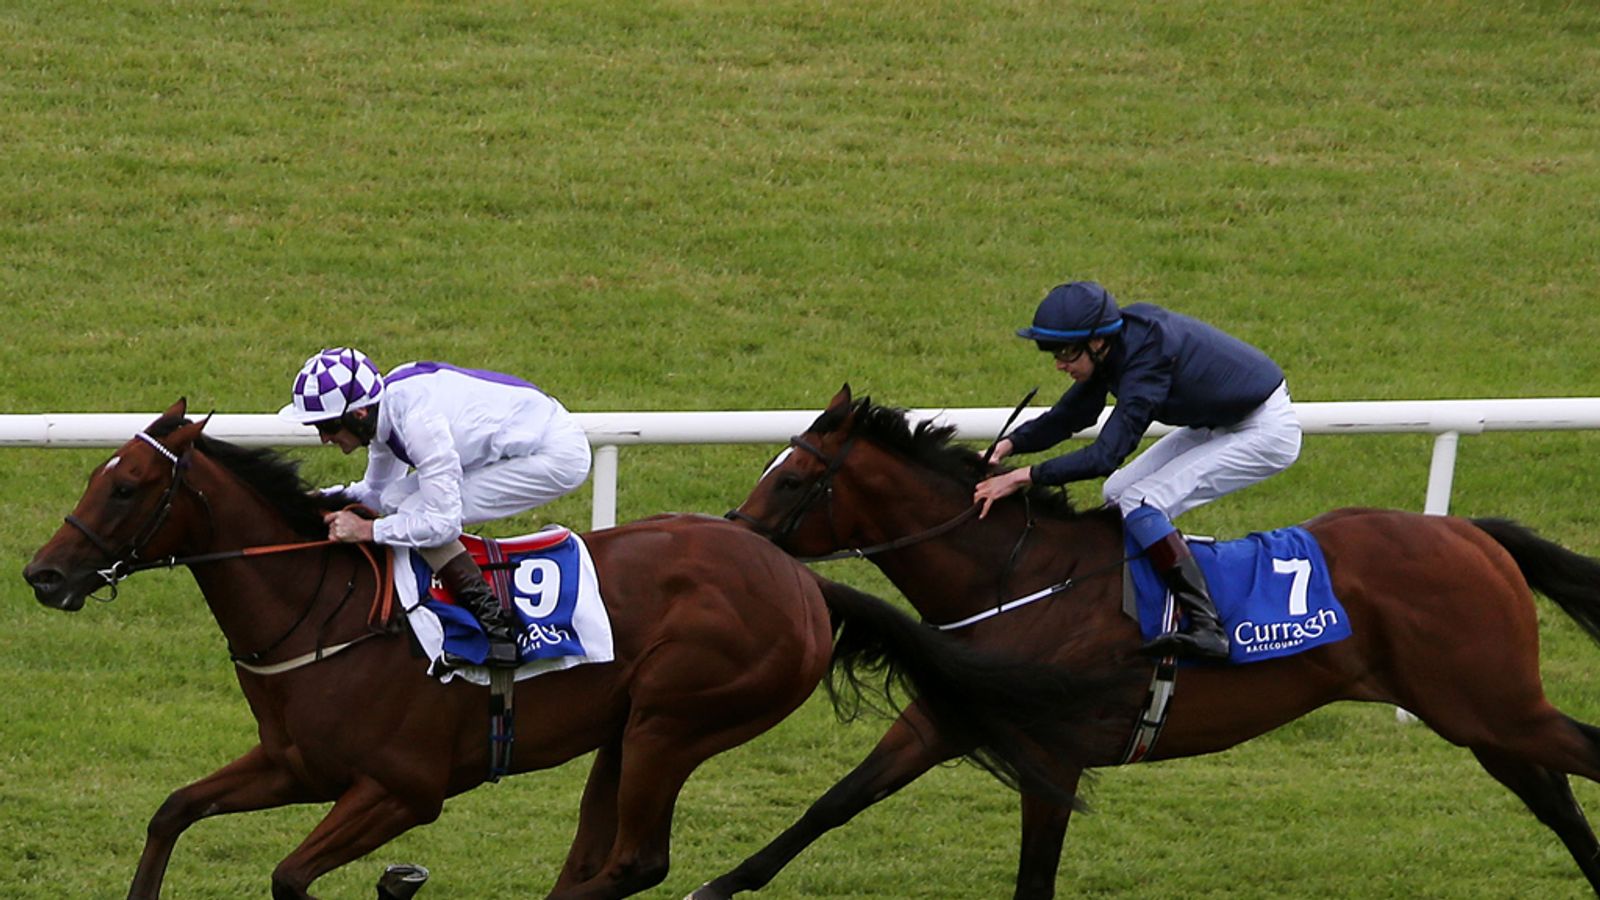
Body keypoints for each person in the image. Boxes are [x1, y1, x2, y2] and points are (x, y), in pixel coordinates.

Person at [973, 281, 1301, 661]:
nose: (1059, 364)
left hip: (1265, 431)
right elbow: (1071, 415)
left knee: (1143, 502)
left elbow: (1104, 455)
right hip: (1217, 423)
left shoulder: (1147, 360)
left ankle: (1207, 626)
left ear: (1097, 343)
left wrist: (1021, 476)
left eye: (1065, 352)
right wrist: (1004, 447)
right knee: (1117, 495)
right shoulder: (1114, 346)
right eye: (1052, 353)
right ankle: (1139, 597)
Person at [279, 347, 593, 667]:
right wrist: (316, 501)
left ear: (357, 414)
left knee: (417, 511)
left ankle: (496, 628)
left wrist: (368, 530)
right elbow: (376, 492)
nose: (323, 439)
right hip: (518, 442)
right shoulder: (385, 409)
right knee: (395, 500)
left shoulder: (418, 425)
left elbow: (442, 523)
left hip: (554, 456)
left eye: (327, 427)